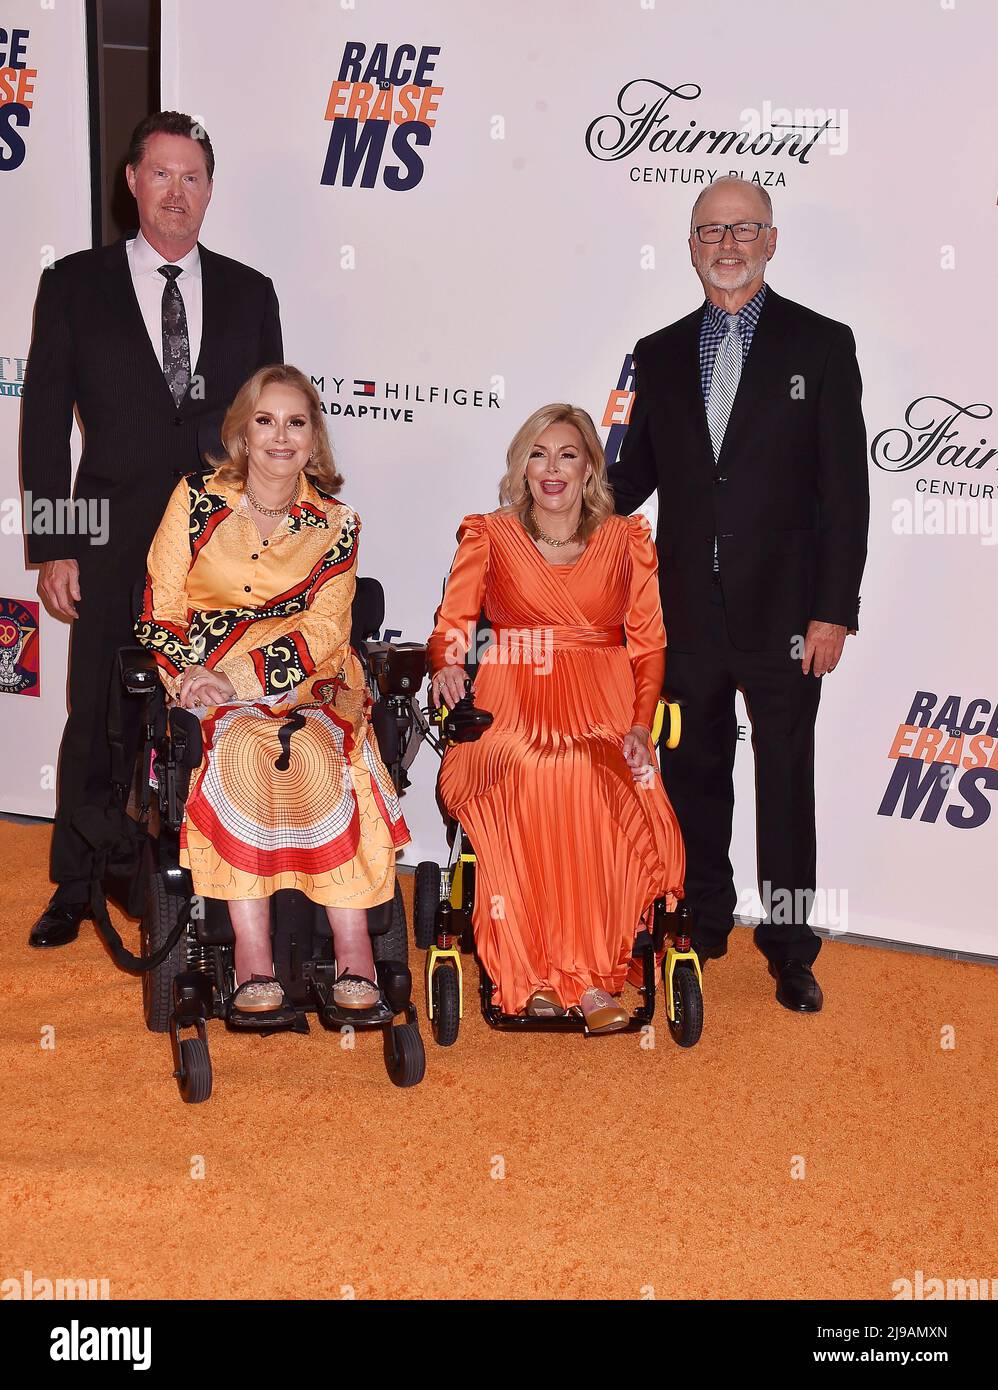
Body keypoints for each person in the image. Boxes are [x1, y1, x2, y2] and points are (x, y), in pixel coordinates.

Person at [607, 177, 869, 1013]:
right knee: (693, 771)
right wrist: (557, 505)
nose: (727, 245)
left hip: (789, 613)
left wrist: (833, 611)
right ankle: (704, 919)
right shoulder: (659, 350)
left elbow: (845, 492)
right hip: (685, 608)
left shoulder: (822, 345)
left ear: (772, 240)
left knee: (786, 779)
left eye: (744, 229)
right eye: (710, 231)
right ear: (689, 247)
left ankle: (791, 945)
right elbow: (635, 475)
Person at [23, 110, 283, 949]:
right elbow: (42, 423)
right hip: (106, 531)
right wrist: (55, 541)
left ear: (211, 191)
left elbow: (272, 426)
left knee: (208, 703)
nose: (177, 192)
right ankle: (77, 881)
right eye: (161, 174)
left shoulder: (251, 292)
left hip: (220, 543)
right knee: (97, 702)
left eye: (193, 177)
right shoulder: (72, 283)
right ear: (131, 182)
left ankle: (206, 872)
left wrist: (273, 540)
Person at [135, 364, 409, 1012]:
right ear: (242, 433)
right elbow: (160, 608)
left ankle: (354, 953)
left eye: (295, 423)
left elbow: (323, 630)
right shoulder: (197, 500)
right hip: (202, 680)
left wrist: (238, 678)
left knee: (326, 756)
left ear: (314, 439)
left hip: (310, 682)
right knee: (238, 751)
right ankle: (253, 957)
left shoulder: (337, 524)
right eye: (265, 421)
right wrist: (193, 678)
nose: (279, 438)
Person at [427, 404, 685, 1033]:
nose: (552, 468)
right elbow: (452, 627)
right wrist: (448, 665)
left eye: (568, 454)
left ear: (590, 467)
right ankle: (530, 973)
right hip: (511, 702)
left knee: (597, 776)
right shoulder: (489, 534)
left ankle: (594, 974)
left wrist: (637, 724)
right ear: (521, 466)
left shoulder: (627, 541)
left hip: (602, 706)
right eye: (538, 453)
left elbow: (648, 644)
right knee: (531, 769)